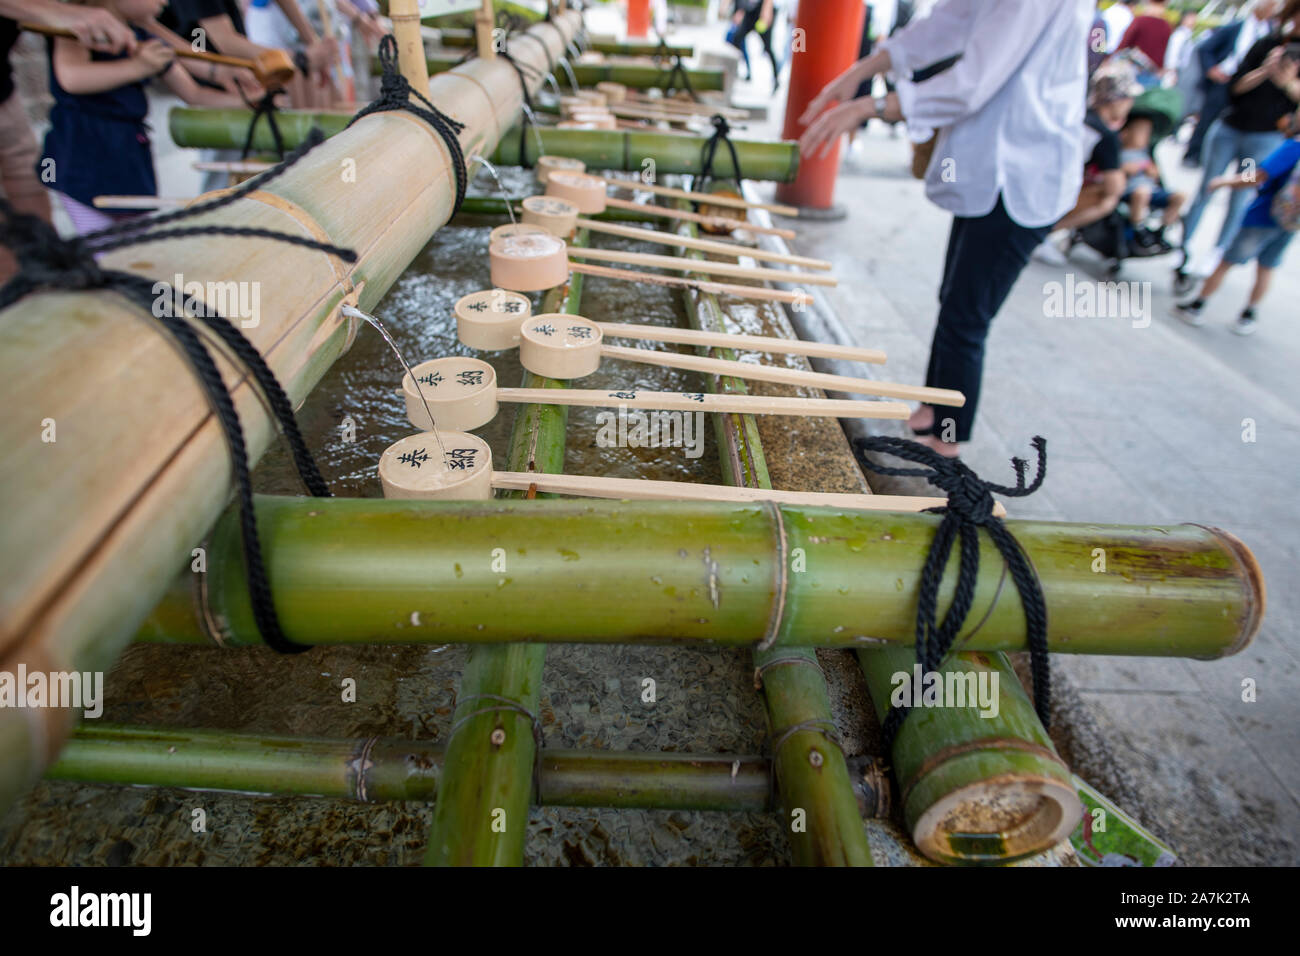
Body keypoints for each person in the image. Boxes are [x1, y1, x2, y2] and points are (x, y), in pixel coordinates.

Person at [799, 0, 1095, 456]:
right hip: (991, 170)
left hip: (1020, 174)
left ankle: (947, 445)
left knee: (967, 318)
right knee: (953, 301)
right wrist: (861, 70)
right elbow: (948, 22)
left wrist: (869, 106)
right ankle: (932, 408)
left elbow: (971, 83)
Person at [40, 0, 243, 235]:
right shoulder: (77, 28)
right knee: (103, 250)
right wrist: (137, 67)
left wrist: (249, 102)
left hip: (129, 160)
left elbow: (194, 93)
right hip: (81, 156)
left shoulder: (145, 37)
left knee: (136, 248)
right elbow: (72, 77)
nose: (165, 2)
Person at [1, 0, 134, 281]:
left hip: (4, 92)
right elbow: (72, 76)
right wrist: (57, 12)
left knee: (31, 204)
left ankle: (42, 288)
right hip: (82, 162)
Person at [1180, 1, 1300, 273]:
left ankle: (1217, 252)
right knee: (1206, 188)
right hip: (1230, 127)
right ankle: (1184, 247)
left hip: (1264, 138)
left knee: (1239, 194)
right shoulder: (1268, 42)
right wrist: (1265, 71)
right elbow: (1236, 86)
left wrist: (1288, 82)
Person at [1173, 132, 1300, 334]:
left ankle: (1197, 305)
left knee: (1227, 262)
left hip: (1263, 215)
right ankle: (1249, 314)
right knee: (1267, 267)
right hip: (1291, 223)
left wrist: (1223, 182)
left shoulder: (1294, 147)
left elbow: (1257, 176)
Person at [1032, 62, 1139, 264]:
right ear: (1116, 100)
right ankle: (1042, 234)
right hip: (1050, 192)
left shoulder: (1076, 114)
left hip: (1034, 179)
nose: (1130, 105)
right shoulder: (1105, 135)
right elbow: (1114, 187)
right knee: (1107, 199)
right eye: (1128, 99)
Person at [1184, 0, 1279, 167]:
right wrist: (1212, 69)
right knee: (1208, 119)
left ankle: (1236, 171)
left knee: (1247, 170)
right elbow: (1205, 48)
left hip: (1251, 98)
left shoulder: (1271, 35)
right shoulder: (1235, 27)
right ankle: (1194, 155)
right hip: (1226, 80)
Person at [1120, 113, 1186, 249]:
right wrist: (1139, 167)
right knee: (1141, 193)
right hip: (1131, 190)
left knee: (1180, 196)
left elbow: (1156, 174)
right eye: (1141, 132)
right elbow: (1121, 169)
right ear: (1126, 132)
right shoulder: (1121, 151)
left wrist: (1151, 171)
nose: (1145, 136)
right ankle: (1139, 229)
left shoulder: (1146, 153)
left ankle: (1162, 230)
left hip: (1151, 190)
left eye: (1147, 133)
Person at [1114, 0, 1173, 86]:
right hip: (1154, 73)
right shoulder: (1166, 26)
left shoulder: (1140, 21)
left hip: (1134, 71)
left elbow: (1124, 44)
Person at [727, 0, 780, 92]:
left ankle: (776, 78)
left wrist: (766, 11)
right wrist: (740, 11)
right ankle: (746, 70)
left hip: (762, 12)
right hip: (750, 10)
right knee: (737, 38)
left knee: (767, 48)